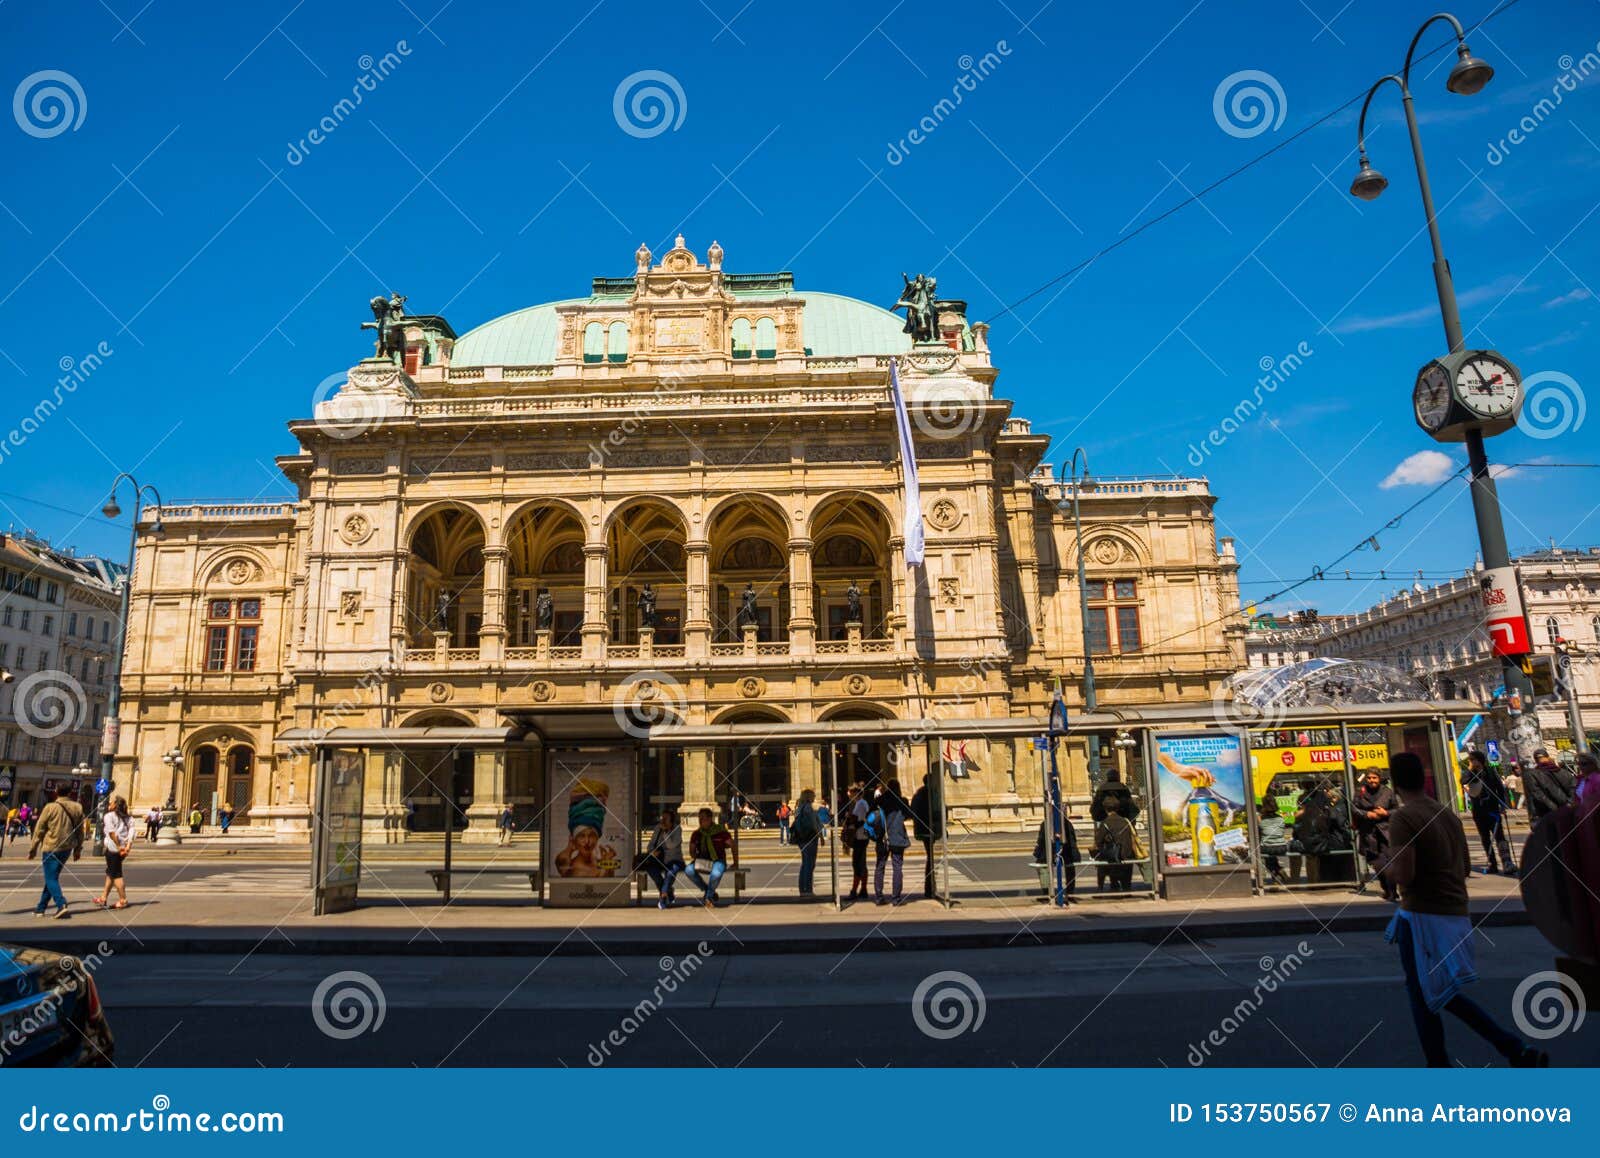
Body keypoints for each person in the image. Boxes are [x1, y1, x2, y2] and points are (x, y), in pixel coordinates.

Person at [1378, 751, 1546, 1067]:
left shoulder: (1403, 817)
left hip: (1420, 917)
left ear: (1395, 781)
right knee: (1441, 992)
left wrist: (1386, 867)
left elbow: (1404, 876)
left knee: (1423, 995)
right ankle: (1513, 1049)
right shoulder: (1446, 814)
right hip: (1454, 913)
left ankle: (1443, 1065)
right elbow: (1465, 864)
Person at [28, 785, 84, 919]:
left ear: (56, 792)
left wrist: (33, 848)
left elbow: (39, 829)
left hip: (51, 847)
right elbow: (80, 831)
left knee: (51, 878)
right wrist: (78, 849)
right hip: (67, 848)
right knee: (52, 877)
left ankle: (61, 904)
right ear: (70, 792)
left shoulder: (50, 807)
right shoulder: (78, 807)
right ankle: (40, 908)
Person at [1462, 751, 1514, 876]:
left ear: (1480, 760)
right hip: (1479, 810)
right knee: (1485, 838)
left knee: (1499, 836)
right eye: (1470, 760)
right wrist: (1471, 769)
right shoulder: (1471, 773)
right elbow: (1462, 781)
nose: (1472, 762)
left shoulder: (1490, 771)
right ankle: (1492, 863)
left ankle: (1507, 862)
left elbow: (1500, 788)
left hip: (1492, 808)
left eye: (1473, 760)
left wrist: (1502, 805)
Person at [1353, 769, 1399, 899]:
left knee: (1389, 863)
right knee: (1378, 864)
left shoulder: (1388, 792)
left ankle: (1392, 890)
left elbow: (1397, 810)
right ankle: (1387, 888)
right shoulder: (1360, 792)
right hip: (1369, 834)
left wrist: (1386, 813)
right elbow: (1354, 809)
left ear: (1379, 778)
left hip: (1386, 832)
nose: (1371, 780)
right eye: (1369, 778)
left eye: (1374, 778)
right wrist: (1367, 814)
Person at [870, 778, 913, 905]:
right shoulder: (902, 801)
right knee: (897, 867)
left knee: (880, 866)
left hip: (882, 837)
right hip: (897, 837)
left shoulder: (880, 800)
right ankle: (896, 898)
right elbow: (909, 815)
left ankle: (879, 897)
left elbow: (871, 815)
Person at [681, 808, 731, 909]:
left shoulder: (720, 831)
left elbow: (732, 845)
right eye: (699, 818)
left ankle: (708, 898)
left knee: (716, 873)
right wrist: (696, 857)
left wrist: (736, 862)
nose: (700, 821)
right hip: (702, 860)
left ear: (710, 819)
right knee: (688, 870)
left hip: (718, 860)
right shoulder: (697, 833)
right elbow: (691, 851)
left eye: (702, 818)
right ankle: (708, 890)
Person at [1032, 805, 1081, 903]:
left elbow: (1041, 841)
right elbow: (1073, 841)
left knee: (1043, 866)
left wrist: (1036, 853)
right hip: (1067, 854)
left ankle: (1047, 892)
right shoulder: (1068, 824)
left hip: (1049, 854)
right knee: (1070, 867)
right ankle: (1070, 891)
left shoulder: (1046, 824)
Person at [94, 795, 134, 910]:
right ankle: (103, 898)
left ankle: (123, 900)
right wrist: (127, 848)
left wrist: (119, 846)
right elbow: (131, 835)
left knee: (116, 875)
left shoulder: (109, 816)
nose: (109, 804)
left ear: (116, 805)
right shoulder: (130, 818)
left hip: (113, 849)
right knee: (111, 873)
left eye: (111, 803)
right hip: (122, 851)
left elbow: (112, 833)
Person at [909, 772, 943, 899]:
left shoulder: (918, 793)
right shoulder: (932, 793)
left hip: (922, 830)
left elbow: (912, 811)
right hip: (930, 829)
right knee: (931, 859)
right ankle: (929, 888)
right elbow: (937, 810)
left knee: (930, 858)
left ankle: (930, 887)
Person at [641, 808, 684, 909]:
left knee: (670, 873)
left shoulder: (677, 829)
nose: (663, 821)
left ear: (671, 820)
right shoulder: (658, 828)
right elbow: (650, 845)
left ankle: (663, 897)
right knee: (651, 869)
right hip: (660, 859)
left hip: (675, 859)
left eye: (666, 819)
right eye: (662, 818)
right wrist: (653, 851)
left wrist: (665, 832)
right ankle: (668, 891)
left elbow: (671, 845)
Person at [1523, 748, 1575, 829]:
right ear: (1548, 757)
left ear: (1535, 760)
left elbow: (1538, 796)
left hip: (1545, 815)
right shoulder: (1565, 773)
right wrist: (1568, 806)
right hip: (1566, 813)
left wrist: (1554, 808)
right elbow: (1574, 790)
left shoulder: (1532, 775)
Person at [1093, 797, 1137, 891]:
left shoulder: (1105, 823)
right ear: (1117, 808)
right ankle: (1126, 888)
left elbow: (1098, 841)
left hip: (1113, 858)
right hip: (1127, 856)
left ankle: (1100, 888)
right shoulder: (1126, 821)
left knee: (1102, 860)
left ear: (1105, 809)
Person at [791, 788, 822, 896]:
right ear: (809, 796)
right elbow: (814, 824)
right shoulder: (808, 808)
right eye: (813, 795)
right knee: (810, 864)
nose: (815, 797)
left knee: (805, 863)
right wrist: (820, 836)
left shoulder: (800, 807)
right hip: (810, 838)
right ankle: (807, 889)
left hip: (802, 839)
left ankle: (802, 889)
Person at [843, 783, 871, 899]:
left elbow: (858, 822)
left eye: (850, 792)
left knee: (857, 863)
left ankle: (855, 890)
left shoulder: (860, 804)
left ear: (855, 793)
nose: (848, 794)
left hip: (860, 836)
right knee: (861, 863)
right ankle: (863, 889)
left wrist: (849, 821)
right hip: (863, 836)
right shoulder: (862, 803)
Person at [1257, 795, 1290, 886]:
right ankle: (1277, 878)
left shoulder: (1260, 819)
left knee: (1267, 858)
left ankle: (1279, 870)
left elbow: (1259, 831)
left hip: (1267, 847)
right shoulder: (1280, 818)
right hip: (1281, 846)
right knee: (1271, 858)